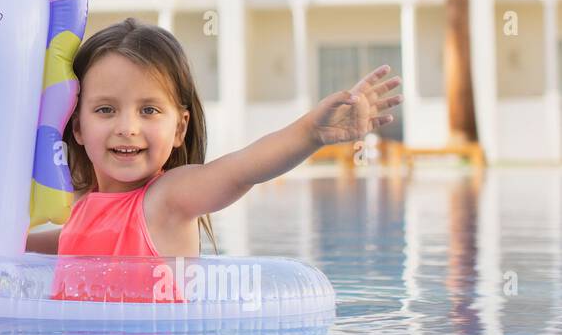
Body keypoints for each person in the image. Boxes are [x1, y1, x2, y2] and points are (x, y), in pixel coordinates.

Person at [26, 18, 402, 259]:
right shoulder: (81, 206)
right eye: (106, 109)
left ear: (179, 128)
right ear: (77, 126)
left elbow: (241, 170)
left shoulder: (167, 200)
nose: (128, 127)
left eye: (149, 110)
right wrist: (16, 245)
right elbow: (75, 247)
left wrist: (310, 133)